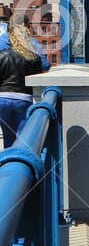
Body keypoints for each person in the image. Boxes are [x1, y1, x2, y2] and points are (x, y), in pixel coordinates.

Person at [0, 11, 47, 148]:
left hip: (2, 99)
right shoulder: (33, 54)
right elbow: (44, 67)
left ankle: (9, 165)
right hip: (23, 98)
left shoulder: (2, 53)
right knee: (23, 137)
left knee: (8, 137)